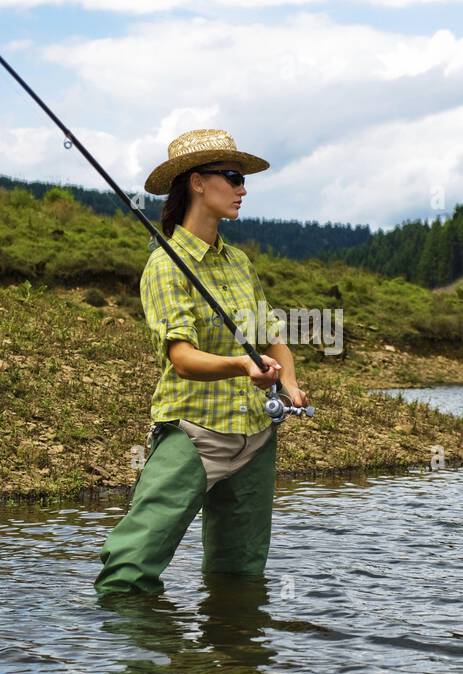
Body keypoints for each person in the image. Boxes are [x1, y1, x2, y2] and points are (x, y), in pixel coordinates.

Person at [94, 128, 310, 597]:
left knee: (241, 575)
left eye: (242, 179)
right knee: (128, 572)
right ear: (196, 182)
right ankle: (147, 661)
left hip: (255, 435)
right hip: (193, 432)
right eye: (232, 177)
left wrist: (289, 385)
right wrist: (241, 366)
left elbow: (273, 340)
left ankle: (232, 665)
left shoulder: (239, 262)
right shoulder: (165, 265)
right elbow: (182, 358)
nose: (242, 188)